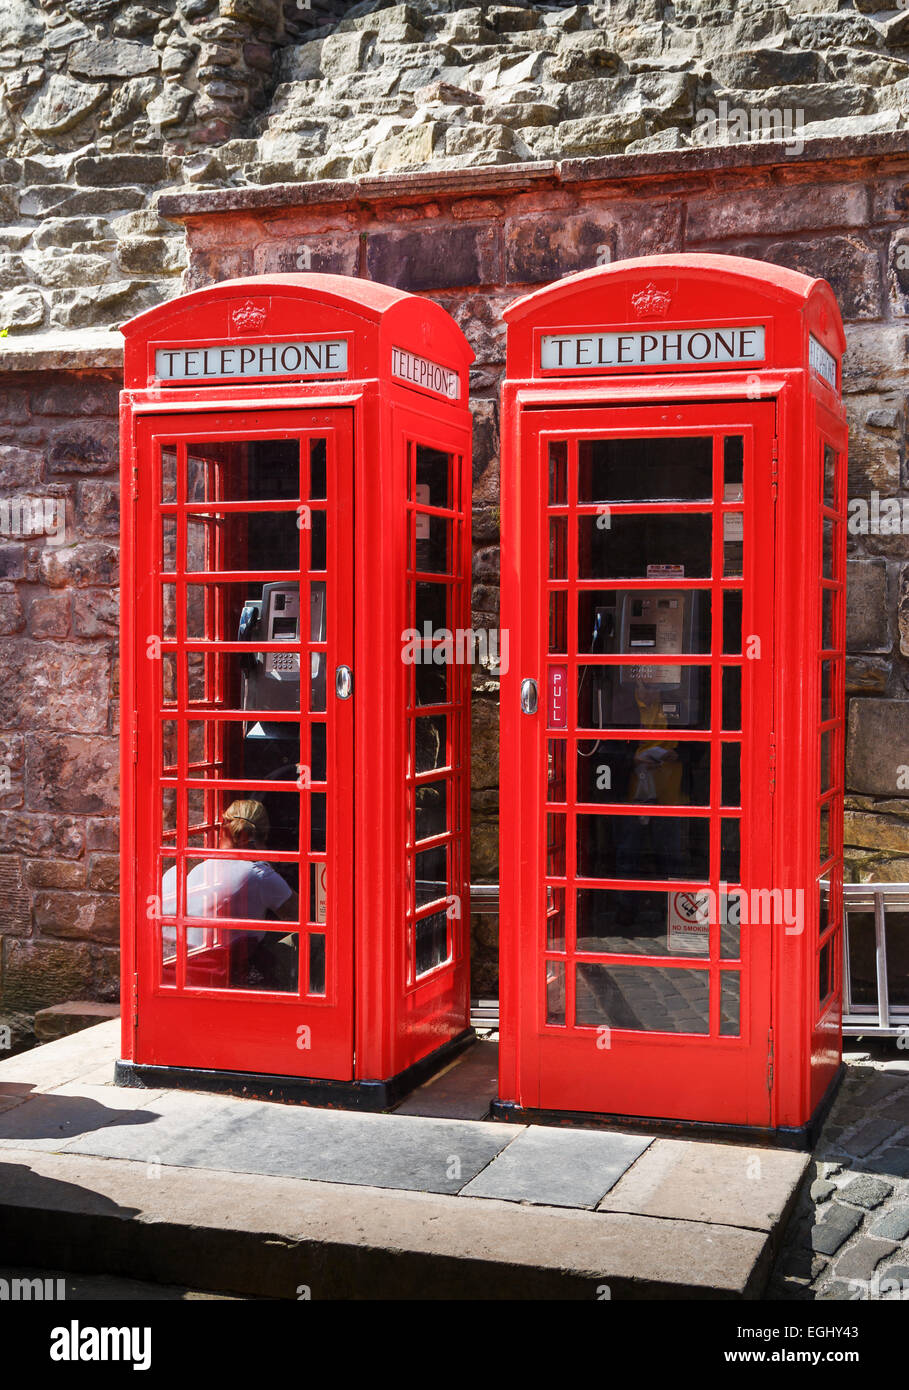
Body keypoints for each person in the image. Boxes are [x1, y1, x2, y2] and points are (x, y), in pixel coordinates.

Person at [161, 800, 299, 989]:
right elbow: (300, 915)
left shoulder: (198, 870)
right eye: (263, 839)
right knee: (312, 940)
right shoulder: (259, 873)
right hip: (224, 978)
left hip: (179, 974)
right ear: (247, 837)